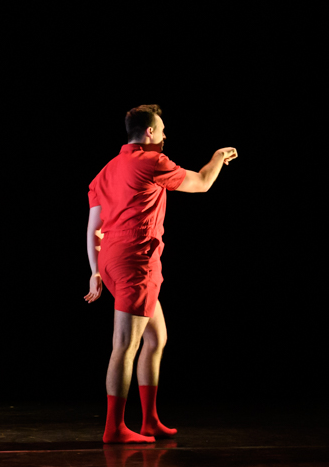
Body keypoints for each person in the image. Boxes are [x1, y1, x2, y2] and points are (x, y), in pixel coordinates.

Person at [85, 105, 237, 444]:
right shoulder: (151, 162)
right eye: (163, 130)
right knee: (125, 344)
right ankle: (114, 428)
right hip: (135, 261)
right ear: (149, 132)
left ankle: (149, 421)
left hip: (113, 260)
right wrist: (217, 157)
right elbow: (201, 183)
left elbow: (94, 225)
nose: (166, 136)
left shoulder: (107, 170)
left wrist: (96, 270)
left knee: (156, 339)